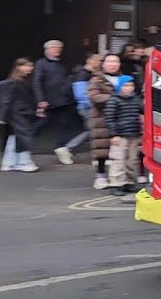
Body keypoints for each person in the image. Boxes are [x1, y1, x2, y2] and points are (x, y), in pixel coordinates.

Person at [33, 39, 81, 155]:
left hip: (63, 99)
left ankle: (60, 147)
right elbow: (37, 82)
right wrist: (40, 99)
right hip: (49, 100)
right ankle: (23, 143)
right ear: (47, 50)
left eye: (59, 48)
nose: (57, 50)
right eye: (54, 48)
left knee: (67, 124)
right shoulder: (41, 63)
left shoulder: (62, 64)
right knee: (41, 123)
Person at [86, 53, 124, 190]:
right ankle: (100, 176)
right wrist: (115, 98)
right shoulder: (97, 79)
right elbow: (94, 97)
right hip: (102, 118)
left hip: (121, 118)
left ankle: (118, 177)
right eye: (110, 61)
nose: (113, 64)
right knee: (102, 149)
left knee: (121, 149)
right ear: (103, 64)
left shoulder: (124, 79)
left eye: (116, 61)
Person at [0, 58, 42, 173]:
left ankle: (9, 163)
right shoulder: (11, 83)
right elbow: (5, 100)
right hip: (17, 114)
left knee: (15, 138)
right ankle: (23, 162)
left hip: (20, 113)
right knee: (23, 137)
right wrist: (1, 116)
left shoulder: (21, 81)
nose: (30, 69)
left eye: (31, 66)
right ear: (18, 67)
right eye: (27, 66)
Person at [55, 52, 99, 165]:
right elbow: (81, 95)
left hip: (87, 107)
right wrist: (93, 105)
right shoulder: (82, 74)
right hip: (87, 107)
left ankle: (97, 157)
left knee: (91, 131)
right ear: (89, 60)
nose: (100, 62)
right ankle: (68, 149)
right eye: (97, 60)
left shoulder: (88, 73)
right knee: (93, 131)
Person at [105, 76, 144, 196]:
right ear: (119, 87)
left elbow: (142, 111)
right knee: (118, 159)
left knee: (131, 160)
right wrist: (114, 134)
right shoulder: (114, 100)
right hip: (120, 135)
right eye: (126, 86)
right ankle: (116, 183)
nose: (129, 88)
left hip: (134, 133)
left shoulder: (136, 99)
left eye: (131, 86)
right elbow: (110, 118)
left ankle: (129, 181)